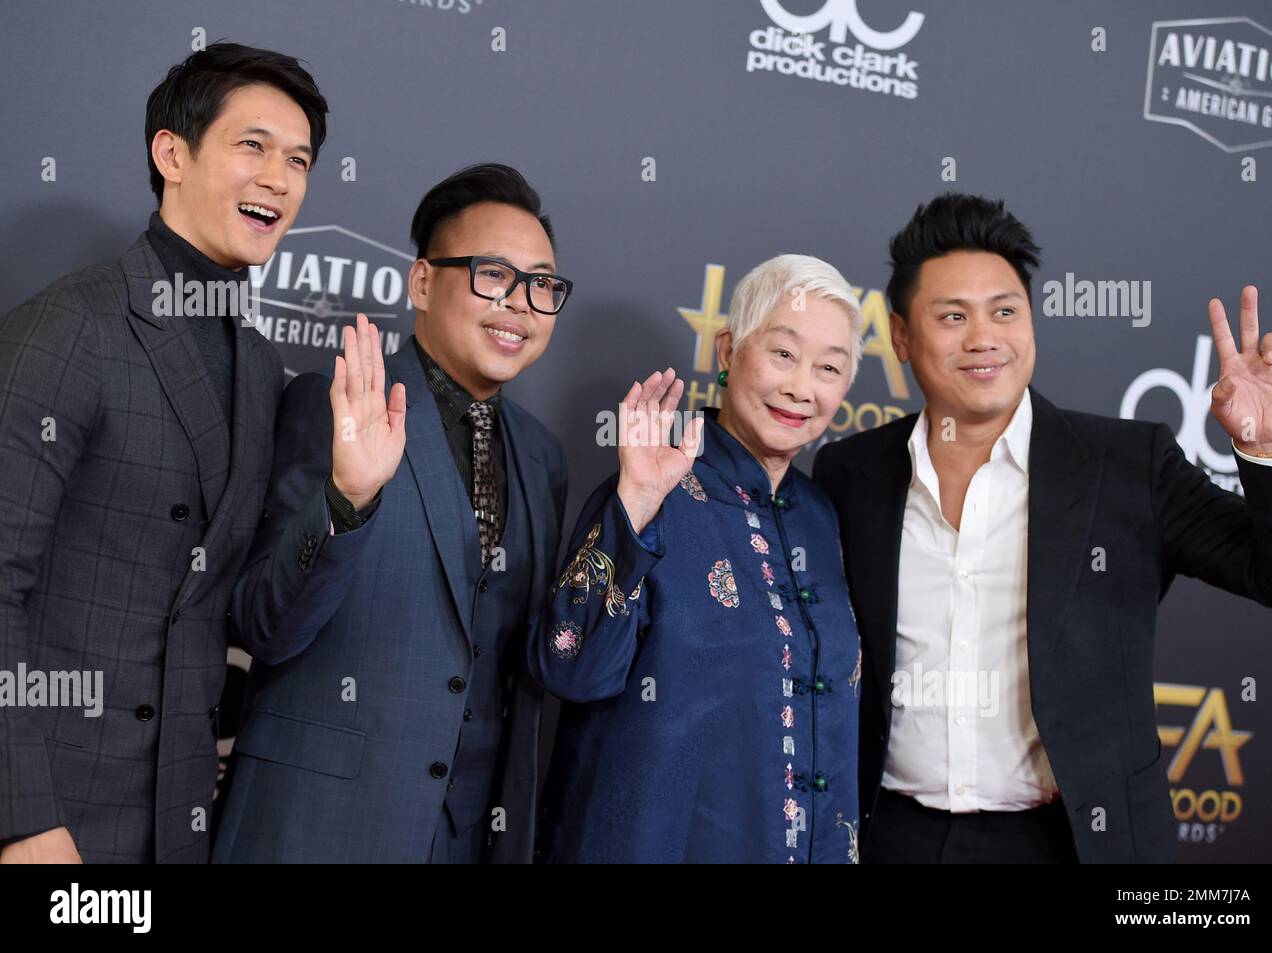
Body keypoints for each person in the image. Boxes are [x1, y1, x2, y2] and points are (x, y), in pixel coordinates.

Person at [815, 193, 1272, 863]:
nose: (983, 338)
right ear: (901, 336)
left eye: (1005, 311)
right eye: (952, 316)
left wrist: (1267, 447)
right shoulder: (849, 473)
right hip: (892, 836)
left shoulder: (1131, 464)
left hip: (1072, 841)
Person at [0, 43, 327, 863]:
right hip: (50, 813)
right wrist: (24, 818)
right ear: (171, 153)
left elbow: (241, 609)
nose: (279, 179)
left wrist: (347, 500)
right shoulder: (73, 324)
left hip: (175, 819)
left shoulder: (258, 364)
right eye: (252, 146)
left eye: (298, 159)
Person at [213, 163, 569, 863]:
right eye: (493, 275)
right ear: (423, 281)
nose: (520, 305)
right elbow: (263, 624)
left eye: (542, 286)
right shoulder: (334, 402)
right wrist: (347, 501)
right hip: (316, 828)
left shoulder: (543, 455)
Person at [531, 255, 863, 863]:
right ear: (729, 350)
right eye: (783, 355)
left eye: (829, 368)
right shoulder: (656, 482)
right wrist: (634, 504)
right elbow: (569, 669)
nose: (801, 387)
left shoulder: (823, 518)